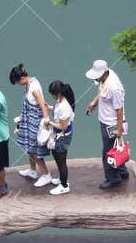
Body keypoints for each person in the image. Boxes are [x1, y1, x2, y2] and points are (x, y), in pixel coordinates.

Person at [85, 59, 129, 189]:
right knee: (117, 148)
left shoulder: (114, 88)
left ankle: (113, 179)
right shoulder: (106, 77)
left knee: (108, 152)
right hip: (106, 120)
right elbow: (101, 91)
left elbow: (119, 109)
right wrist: (95, 101)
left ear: (103, 73)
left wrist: (119, 129)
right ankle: (122, 171)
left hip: (112, 124)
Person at [9, 63, 52, 187]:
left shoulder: (34, 89)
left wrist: (46, 121)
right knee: (29, 147)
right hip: (29, 119)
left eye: (17, 82)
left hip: (36, 122)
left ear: (22, 78)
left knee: (35, 150)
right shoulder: (29, 83)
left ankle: (46, 175)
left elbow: (42, 105)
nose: (18, 84)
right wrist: (22, 116)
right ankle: (33, 171)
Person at [47, 80, 75, 194]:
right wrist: (47, 107)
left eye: (52, 94)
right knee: (57, 156)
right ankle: (61, 179)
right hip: (59, 135)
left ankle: (64, 185)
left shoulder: (64, 107)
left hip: (63, 136)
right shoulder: (61, 100)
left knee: (61, 161)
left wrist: (49, 123)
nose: (52, 96)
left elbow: (62, 126)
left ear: (58, 94)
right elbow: (55, 108)